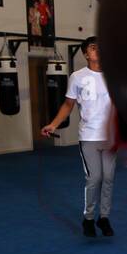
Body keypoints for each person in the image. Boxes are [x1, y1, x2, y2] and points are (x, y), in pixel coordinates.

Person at [41, 37, 118, 237]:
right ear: (86, 53)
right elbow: (68, 105)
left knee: (108, 178)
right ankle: (89, 218)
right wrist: (54, 124)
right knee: (94, 178)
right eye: (93, 48)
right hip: (89, 136)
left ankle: (104, 218)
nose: (98, 51)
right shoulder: (77, 77)